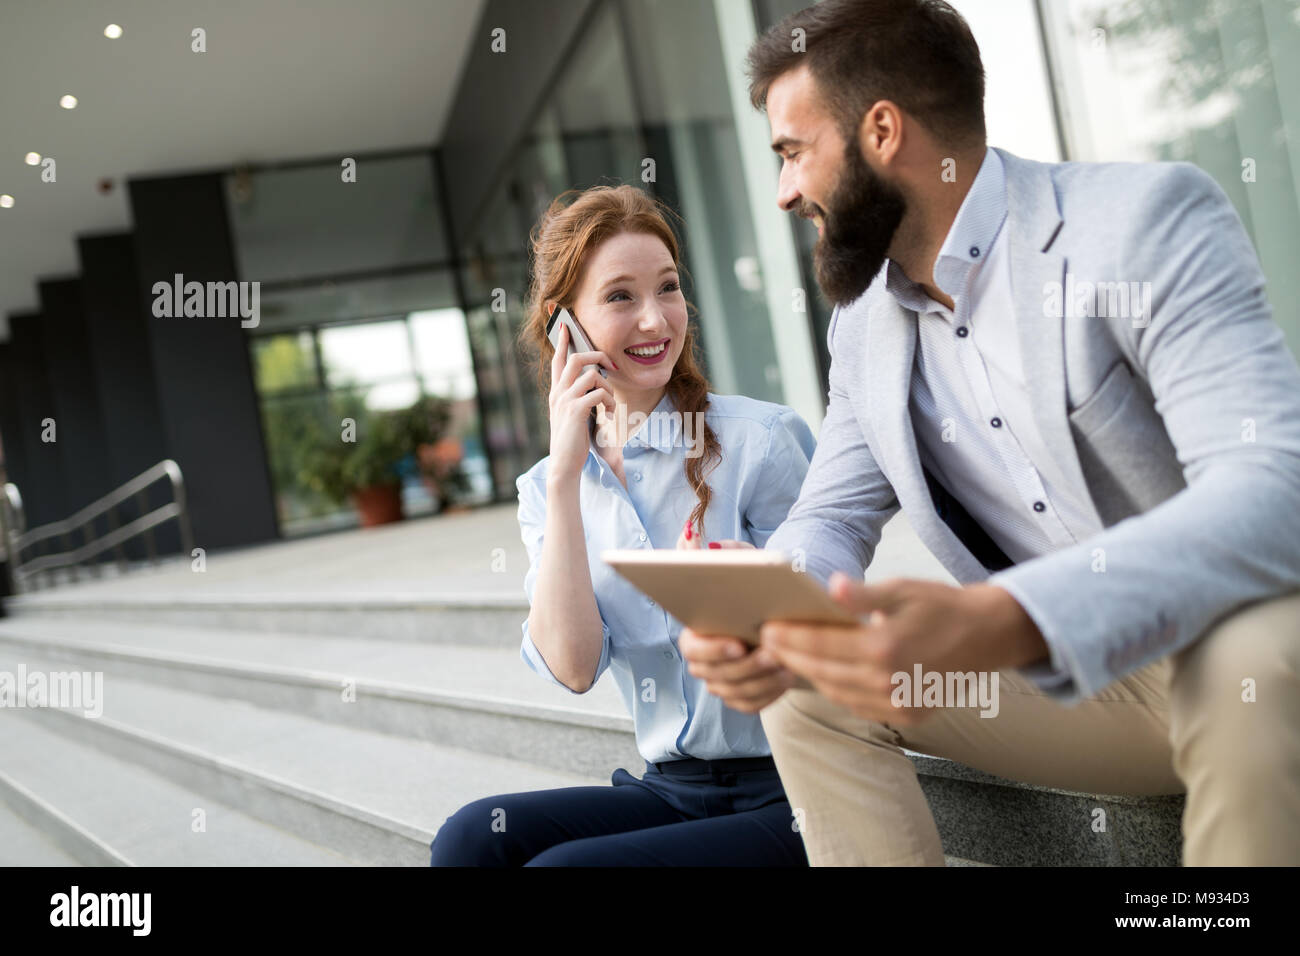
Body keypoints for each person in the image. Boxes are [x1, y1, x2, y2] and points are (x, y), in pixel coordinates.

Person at [680, 0, 1300, 865]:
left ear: (882, 131)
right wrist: (766, 614)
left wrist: (1011, 615)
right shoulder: (865, 324)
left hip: (1244, 651)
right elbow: (829, 519)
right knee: (814, 679)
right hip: (1097, 688)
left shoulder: (1141, 223)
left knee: (1250, 659)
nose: (784, 192)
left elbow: (1270, 492)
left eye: (792, 152)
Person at [430, 184, 815, 866]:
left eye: (667, 289)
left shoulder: (761, 441)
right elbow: (574, 667)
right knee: (469, 838)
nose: (654, 320)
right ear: (563, 327)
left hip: (793, 789)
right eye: (619, 297)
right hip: (671, 788)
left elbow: (826, 631)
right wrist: (564, 476)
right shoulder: (549, 489)